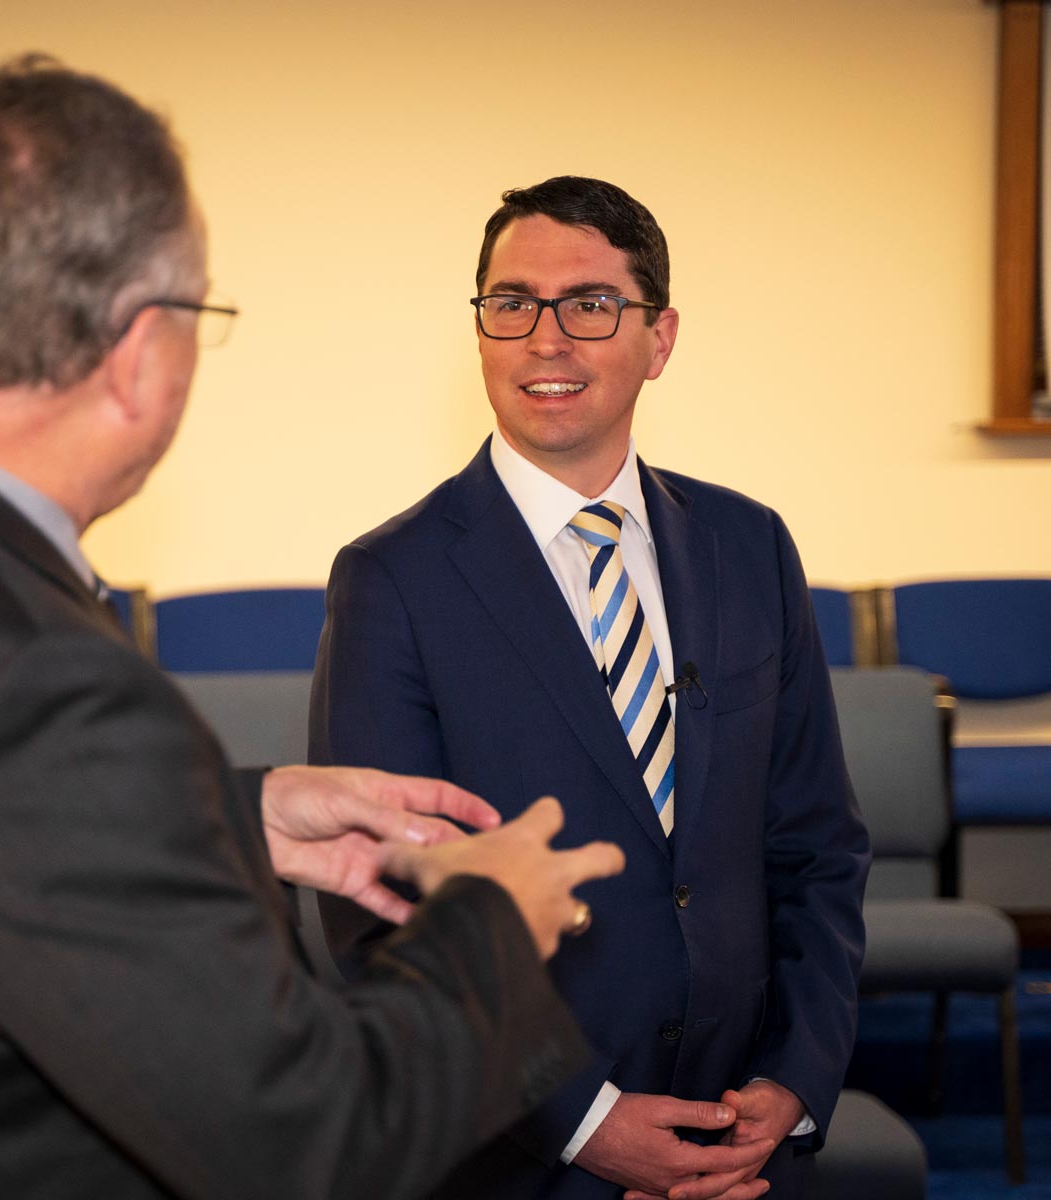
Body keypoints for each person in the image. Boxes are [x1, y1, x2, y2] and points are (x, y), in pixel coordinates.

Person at [0, 59, 630, 1200]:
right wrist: (493, 926)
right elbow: (312, 1141)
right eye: (199, 319)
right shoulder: (36, 684)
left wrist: (228, 815)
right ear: (135, 350)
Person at [309, 176, 870, 1200]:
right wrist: (584, 1122)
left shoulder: (749, 546)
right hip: (524, 1154)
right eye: (511, 303)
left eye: (592, 304)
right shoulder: (393, 578)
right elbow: (385, 911)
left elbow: (818, 846)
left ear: (659, 339)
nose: (545, 338)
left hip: (740, 1140)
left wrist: (793, 1078)